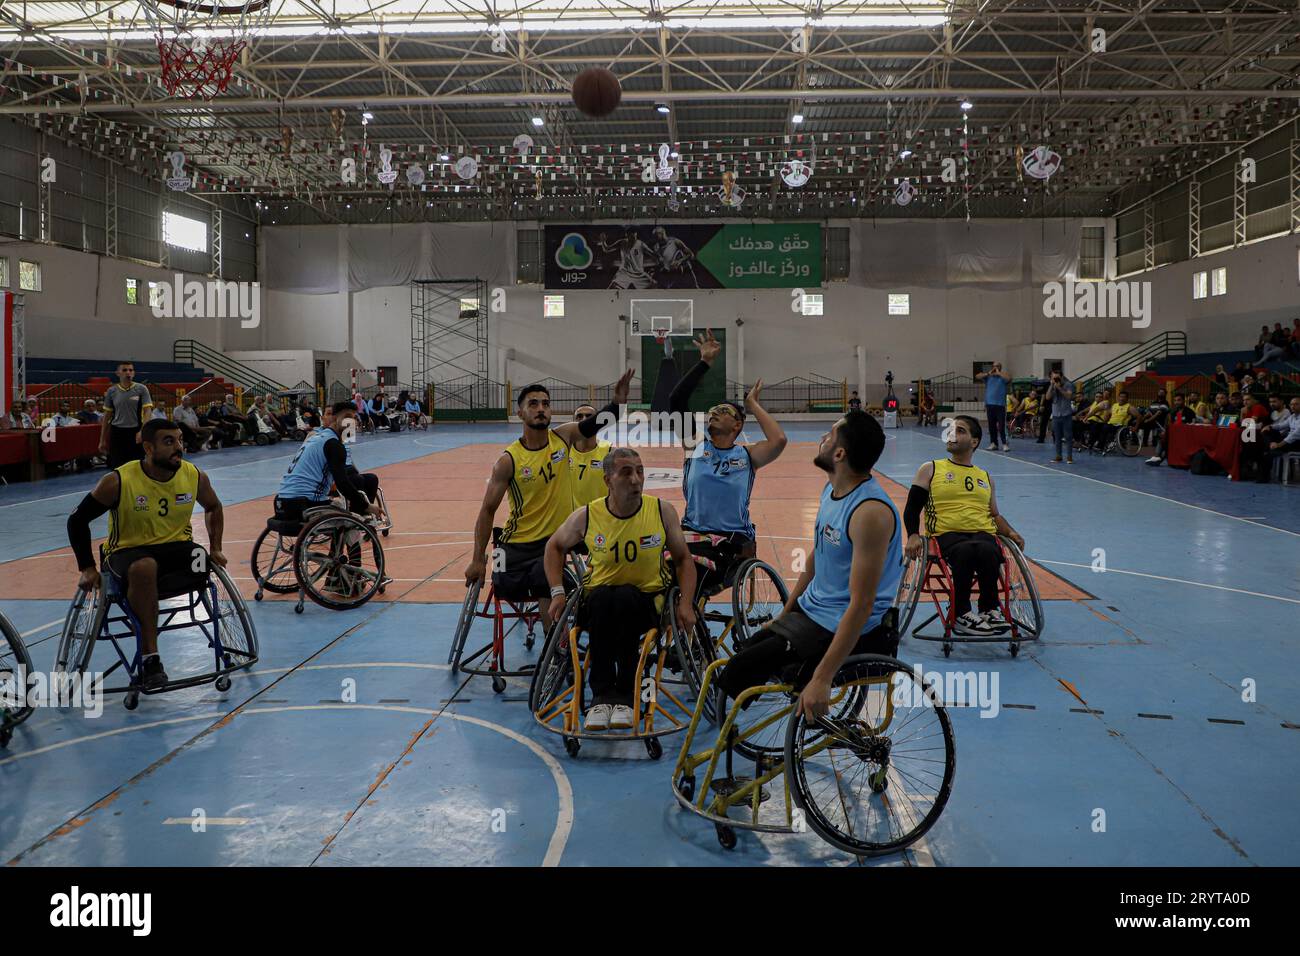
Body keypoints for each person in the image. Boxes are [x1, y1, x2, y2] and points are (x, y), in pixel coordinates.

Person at [715, 412, 901, 719]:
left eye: (829, 435)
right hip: (815, 613)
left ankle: (733, 734)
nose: (822, 439)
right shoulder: (832, 490)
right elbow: (817, 557)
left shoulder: (870, 513)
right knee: (747, 650)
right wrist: (786, 613)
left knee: (740, 669)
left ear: (840, 454)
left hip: (845, 624)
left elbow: (862, 604)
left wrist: (823, 677)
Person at [543, 447, 696, 731]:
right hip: (599, 604)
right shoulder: (587, 515)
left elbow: (684, 559)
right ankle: (601, 697)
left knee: (623, 597)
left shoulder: (662, 511)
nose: (636, 479)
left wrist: (685, 603)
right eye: (626, 472)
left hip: (648, 604)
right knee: (603, 597)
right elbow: (554, 546)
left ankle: (624, 695)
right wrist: (557, 592)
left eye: (639, 471)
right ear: (608, 480)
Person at [465, 373, 634, 628]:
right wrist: (478, 558)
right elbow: (487, 510)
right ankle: (557, 647)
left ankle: (556, 650)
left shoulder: (562, 438)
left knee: (550, 577)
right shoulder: (509, 460)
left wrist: (617, 404)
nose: (541, 409)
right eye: (533, 404)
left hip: (555, 542)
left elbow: (593, 425)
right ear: (520, 413)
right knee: (539, 579)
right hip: (515, 546)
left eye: (545, 403)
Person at [67, 420, 226, 691]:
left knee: (199, 557)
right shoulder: (118, 480)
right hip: (126, 550)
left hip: (176, 547)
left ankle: (220, 642)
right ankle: (150, 657)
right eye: (169, 442)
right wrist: (87, 567)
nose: (179, 447)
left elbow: (213, 506)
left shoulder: (194, 475)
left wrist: (216, 548)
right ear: (149, 447)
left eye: (179, 440)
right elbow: (77, 521)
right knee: (144, 567)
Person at [668, 329, 788, 598]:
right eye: (712, 411)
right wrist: (704, 363)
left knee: (687, 577)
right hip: (694, 534)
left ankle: (687, 621)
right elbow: (676, 401)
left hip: (731, 542)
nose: (714, 414)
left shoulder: (748, 456)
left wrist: (752, 404)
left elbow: (779, 440)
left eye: (723, 411)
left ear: (737, 425)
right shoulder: (695, 445)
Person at [903, 415, 1025, 637]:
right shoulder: (930, 469)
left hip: (983, 533)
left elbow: (994, 515)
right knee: (967, 550)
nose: (952, 434)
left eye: (960, 431)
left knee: (989, 549)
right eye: (951, 430)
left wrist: (1011, 532)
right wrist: (912, 535)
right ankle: (961, 612)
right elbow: (912, 508)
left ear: (974, 441)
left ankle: (990, 609)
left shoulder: (985, 477)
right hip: (947, 535)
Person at [273, 401, 384, 524]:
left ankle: (339, 541)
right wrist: (367, 506)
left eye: (354, 418)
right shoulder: (333, 444)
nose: (351, 422)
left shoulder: (318, 438)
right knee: (353, 521)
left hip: (281, 501)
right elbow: (342, 483)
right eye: (347, 417)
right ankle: (355, 539)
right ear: (334, 418)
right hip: (304, 503)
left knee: (341, 505)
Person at [99, 362, 153, 470]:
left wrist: (142, 431)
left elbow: (147, 411)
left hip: (135, 432)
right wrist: (102, 439)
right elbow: (107, 416)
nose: (128, 372)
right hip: (117, 433)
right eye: (124, 370)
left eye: (130, 370)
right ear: (118, 373)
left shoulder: (141, 389)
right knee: (117, 466)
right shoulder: (112, 391)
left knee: (137, 466)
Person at [1240, 396, 1300, 483]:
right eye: (1291, 404)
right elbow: (1281, 425)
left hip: (1297, 443)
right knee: (1267, 432)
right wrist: (1269, 426)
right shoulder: (1293, 417)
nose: (1293, 406)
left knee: (1267, 453)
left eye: (1296, 404)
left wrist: (1279, 444)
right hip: (1287, 441)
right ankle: (1270, 445)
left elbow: (1294, 435)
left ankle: (1262, 477)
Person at [568, 405, 612, 509]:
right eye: (579, 416)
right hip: (569, 518)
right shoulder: (564, 451)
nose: (584, 420)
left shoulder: (609, 452)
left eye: (589, 416)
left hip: (599, 517)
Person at [1144, 393, 1197, 466]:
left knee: (1168, 442)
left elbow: (1193, 425)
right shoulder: (1173, 412)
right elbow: (1171, 424)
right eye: (1175, 400)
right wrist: (1165, 432)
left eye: (1179, 400)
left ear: (1184, 401)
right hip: (1175, 434)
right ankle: (1157, 457)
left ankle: (1158, 459)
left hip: (1185, 436)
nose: (1177, 402)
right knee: (1162, 437)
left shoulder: (1190, 412)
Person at [974, 362, 1012, 451]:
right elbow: (977, 376)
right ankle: (993, 443)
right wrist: (988, 373)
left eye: (997, 366)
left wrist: (998, 373)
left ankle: (1004, 444)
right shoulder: (988, 377)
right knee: (991, 426)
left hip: (1000, 405)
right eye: (994, 366)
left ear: (1000, 367)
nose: (995, 368)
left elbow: (1008, 378)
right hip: (990, 404)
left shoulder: (1003, 377)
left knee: (1001, 426)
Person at [1043, 371, 1075, 464]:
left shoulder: (1068, 385)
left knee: (1068, 437)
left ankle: (1069, 457)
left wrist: (1059, 388)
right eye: (1054, 378)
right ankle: (1058, 456)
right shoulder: (1052, 385)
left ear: (1062, 377)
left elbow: (1069, 396)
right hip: (1056, 415)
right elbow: (1048, 397)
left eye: (1057, 378)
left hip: (1066, 415)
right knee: (1057, 437)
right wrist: (1051, 386)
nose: (1056, 380)